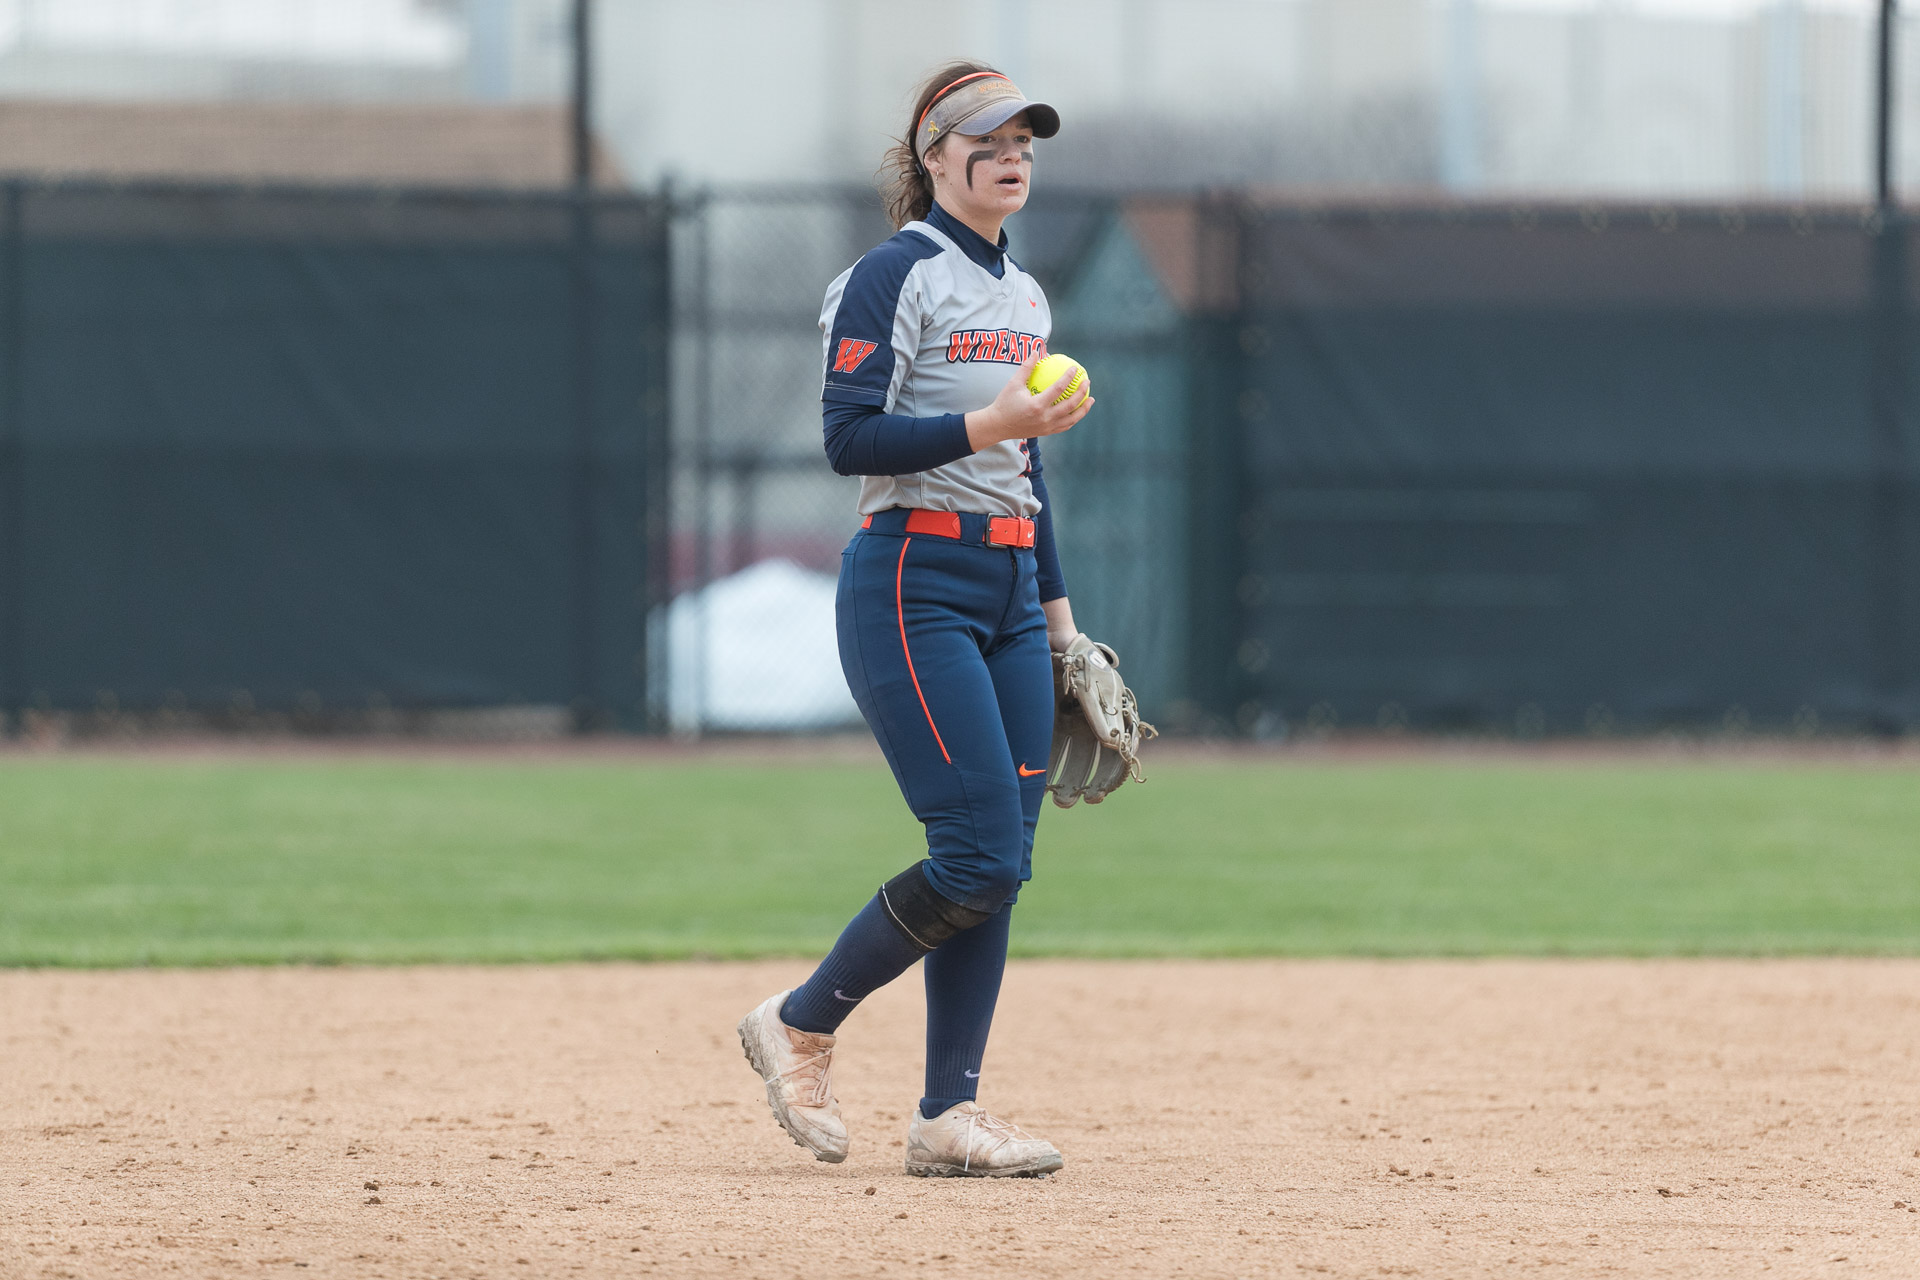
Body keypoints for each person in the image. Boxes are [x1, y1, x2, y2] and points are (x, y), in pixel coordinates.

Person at [738, 61, 1092, 1179]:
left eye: (1025, 140)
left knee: (1004, 860)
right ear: (933, 156)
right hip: (911, 581)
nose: (1011, 155)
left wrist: (1063, 622)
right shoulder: (892, 276)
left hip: (1008, 598)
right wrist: (990, 418)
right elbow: (848, 438)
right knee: (977, 849)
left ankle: (949, 1111)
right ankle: (800, 1020)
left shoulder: (1027, 296)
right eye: (986, 139)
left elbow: (1026, 475)